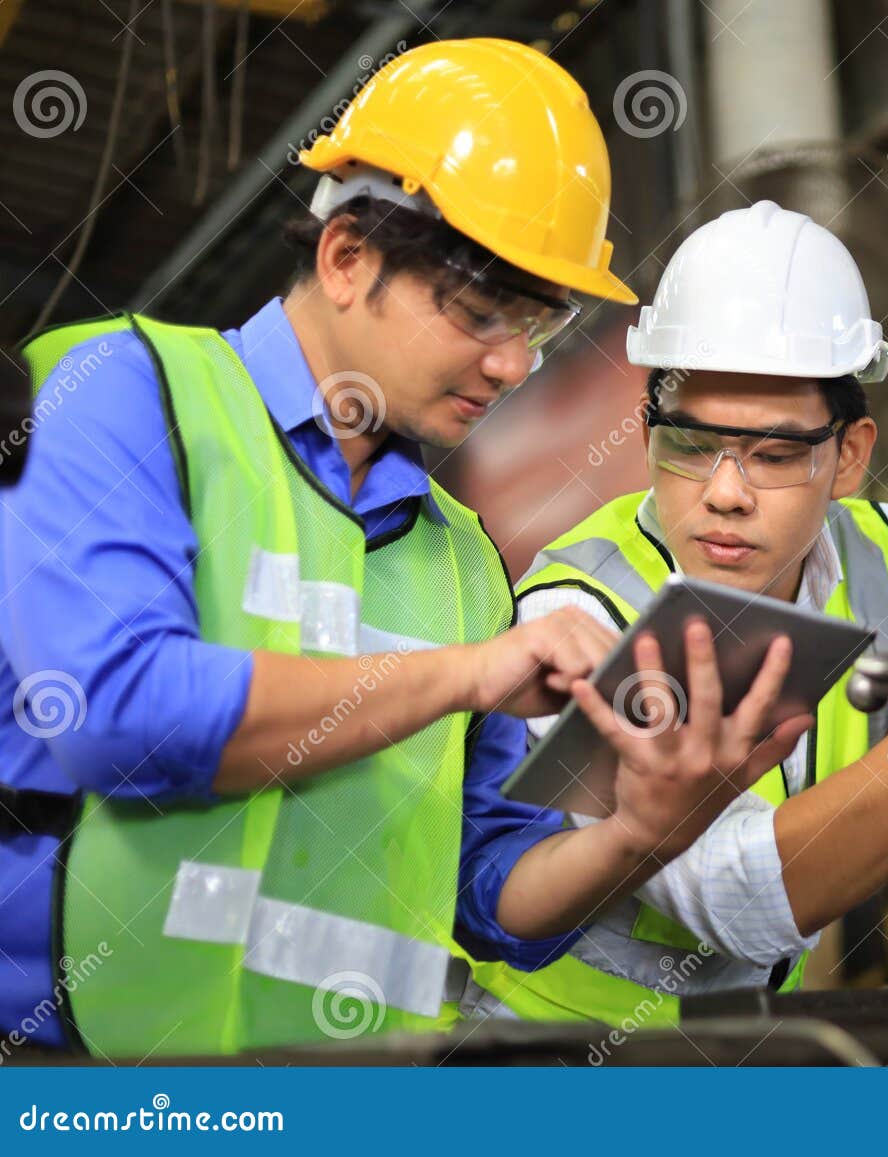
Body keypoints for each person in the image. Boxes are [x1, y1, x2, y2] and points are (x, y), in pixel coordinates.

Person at [0, 41, 805, 1059]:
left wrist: (641, 832)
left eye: (539, 327)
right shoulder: (121, 393)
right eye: (479, 313)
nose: (511, 363)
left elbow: (488, 888)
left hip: (353, 1090)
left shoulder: (460, 559)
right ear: (345, 258)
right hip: (73, 1072)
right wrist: (463, 673)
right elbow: (122, 714)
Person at [466, 200, 888, 1027]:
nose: (724, 494)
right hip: (547, 1064)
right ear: (645, 437)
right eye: (687, 446)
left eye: (775, 456)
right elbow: (740, 896)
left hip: (731, 1047)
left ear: (848, 455)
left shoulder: (877, 556)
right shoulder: (579, 613)